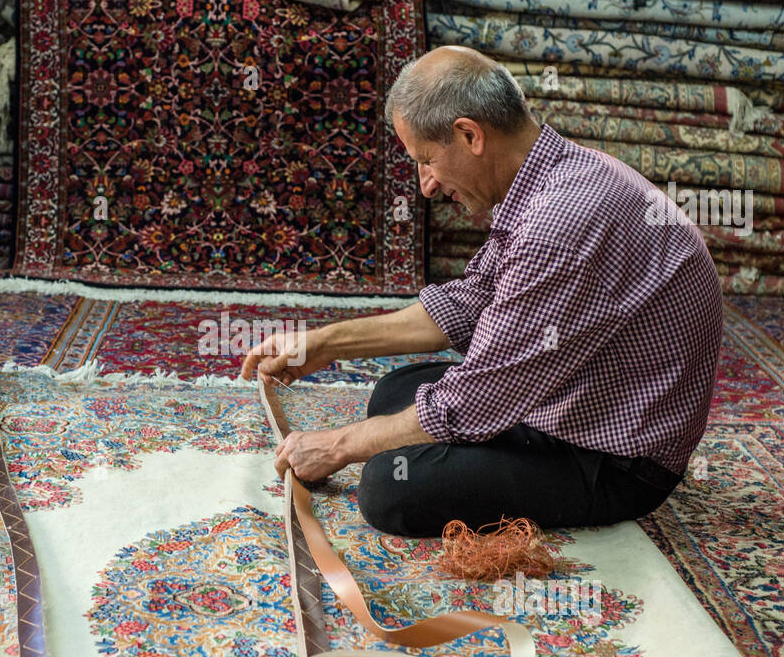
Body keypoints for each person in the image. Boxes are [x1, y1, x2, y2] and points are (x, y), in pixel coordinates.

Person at [240, 46, 723, 538]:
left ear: (469, 135)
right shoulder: (556, 174)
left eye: (427, 159)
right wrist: (321, 344)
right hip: (579, 394)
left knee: (389, 488)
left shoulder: (557, 225)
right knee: (393, 393)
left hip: (617, 460)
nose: (426, 185)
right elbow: (467, 303)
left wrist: (338, 446)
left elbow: (475, 401)